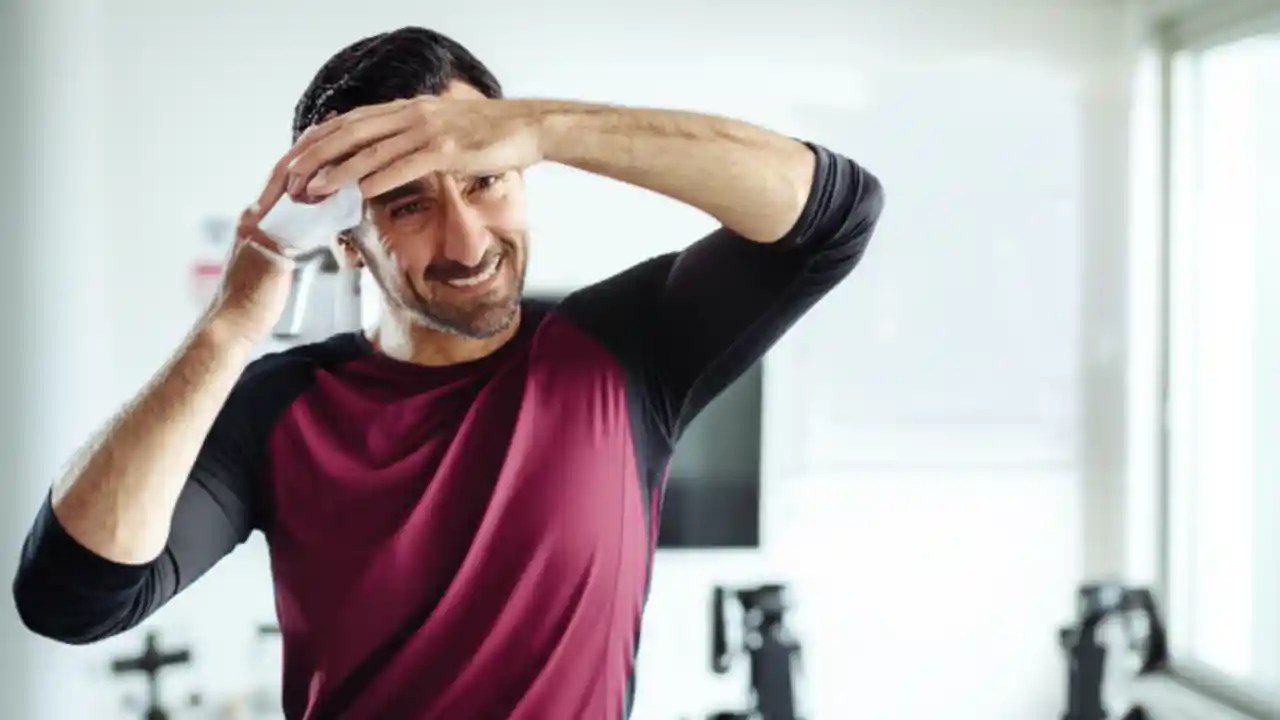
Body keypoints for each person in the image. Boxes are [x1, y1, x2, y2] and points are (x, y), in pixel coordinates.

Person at [12, 26, 884, 720]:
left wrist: (545, 126)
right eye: (409, 204)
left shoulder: (626, 349)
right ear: (347, 241)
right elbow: (74, 598)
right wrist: (234, 323)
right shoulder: (278, 411)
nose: (467, 241)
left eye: (486, 180)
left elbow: (834, 214)